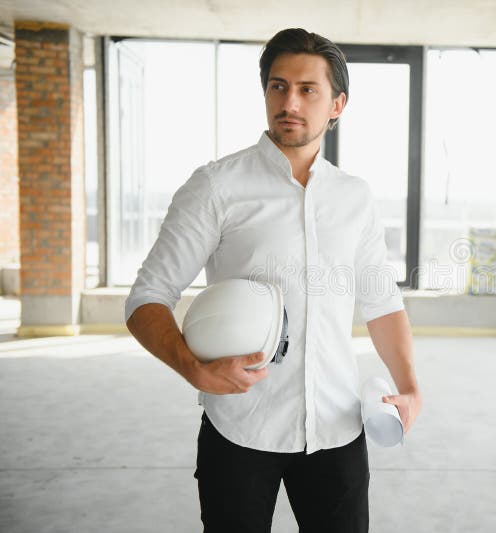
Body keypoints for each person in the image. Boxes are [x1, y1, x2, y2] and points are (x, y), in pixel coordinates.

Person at [125, 28, 422, 533]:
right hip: (240, 428)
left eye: (308, 89)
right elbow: (147, 297)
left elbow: (381, 302)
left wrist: (411, 388)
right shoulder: (216, 186)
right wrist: (193, 369)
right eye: (278, 86)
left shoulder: (355, 197)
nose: (290, 101)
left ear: (337, 104)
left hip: (336, 428)